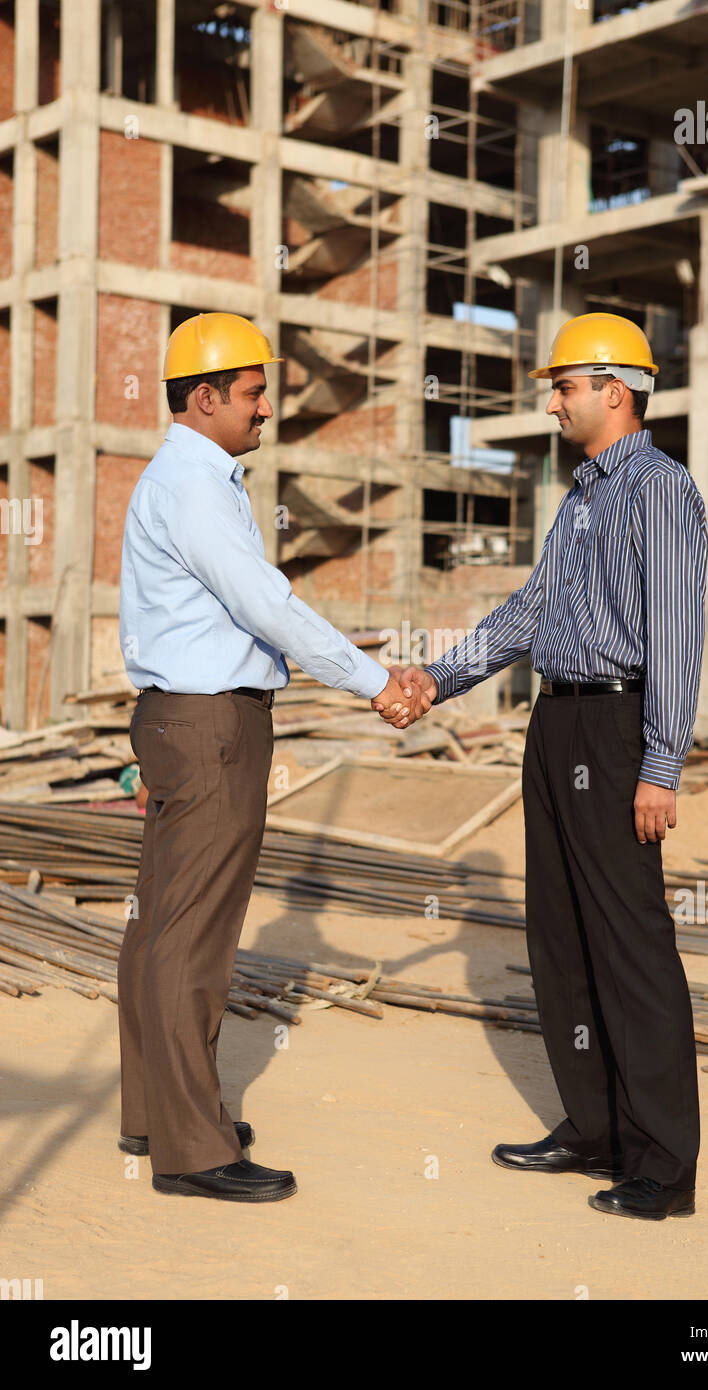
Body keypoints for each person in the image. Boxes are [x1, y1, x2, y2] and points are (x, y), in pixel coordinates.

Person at [379, 312, 708, 1221]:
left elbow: (680, 637)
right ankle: (595, 1127)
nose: (554, 403)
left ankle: (662, 1165)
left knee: (631, 947)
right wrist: (435, 680)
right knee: (560, 941)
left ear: (616, 389)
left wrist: (660, 764)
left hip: (615, 725)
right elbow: (528, 615)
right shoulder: (582, 497)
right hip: (555, 724)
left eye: (563, 387)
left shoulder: (661, 491)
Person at [117, 312, 428, 1203]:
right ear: (205, 396)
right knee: (191, 937)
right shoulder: (195, 484)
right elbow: (266, 604)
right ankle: (193, 1149)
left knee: (158, 924)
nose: (266, 409)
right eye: (253, 393)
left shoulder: (184, 477)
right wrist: (373, 682)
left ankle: (158, 1113)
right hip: (212, 725)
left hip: (183, 720)